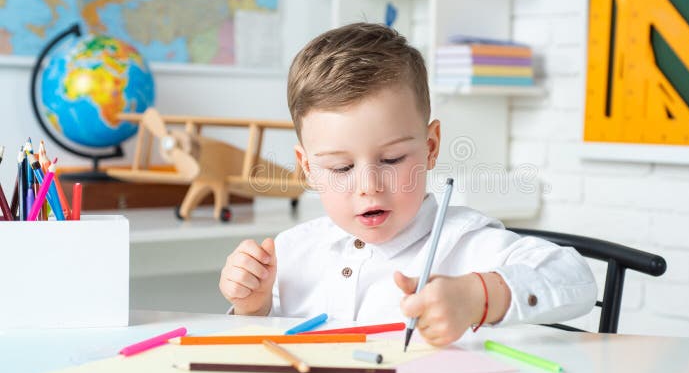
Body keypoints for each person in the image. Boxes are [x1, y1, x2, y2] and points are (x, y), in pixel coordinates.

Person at [219, 23, 597, 346]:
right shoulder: (290, 252)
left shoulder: (466, 244)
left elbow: (576, 279)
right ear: (308, 168)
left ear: (430, 148)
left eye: (392, 159)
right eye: (340, 167)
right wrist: (255, 307)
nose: (368, 185)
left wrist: (478, 297)